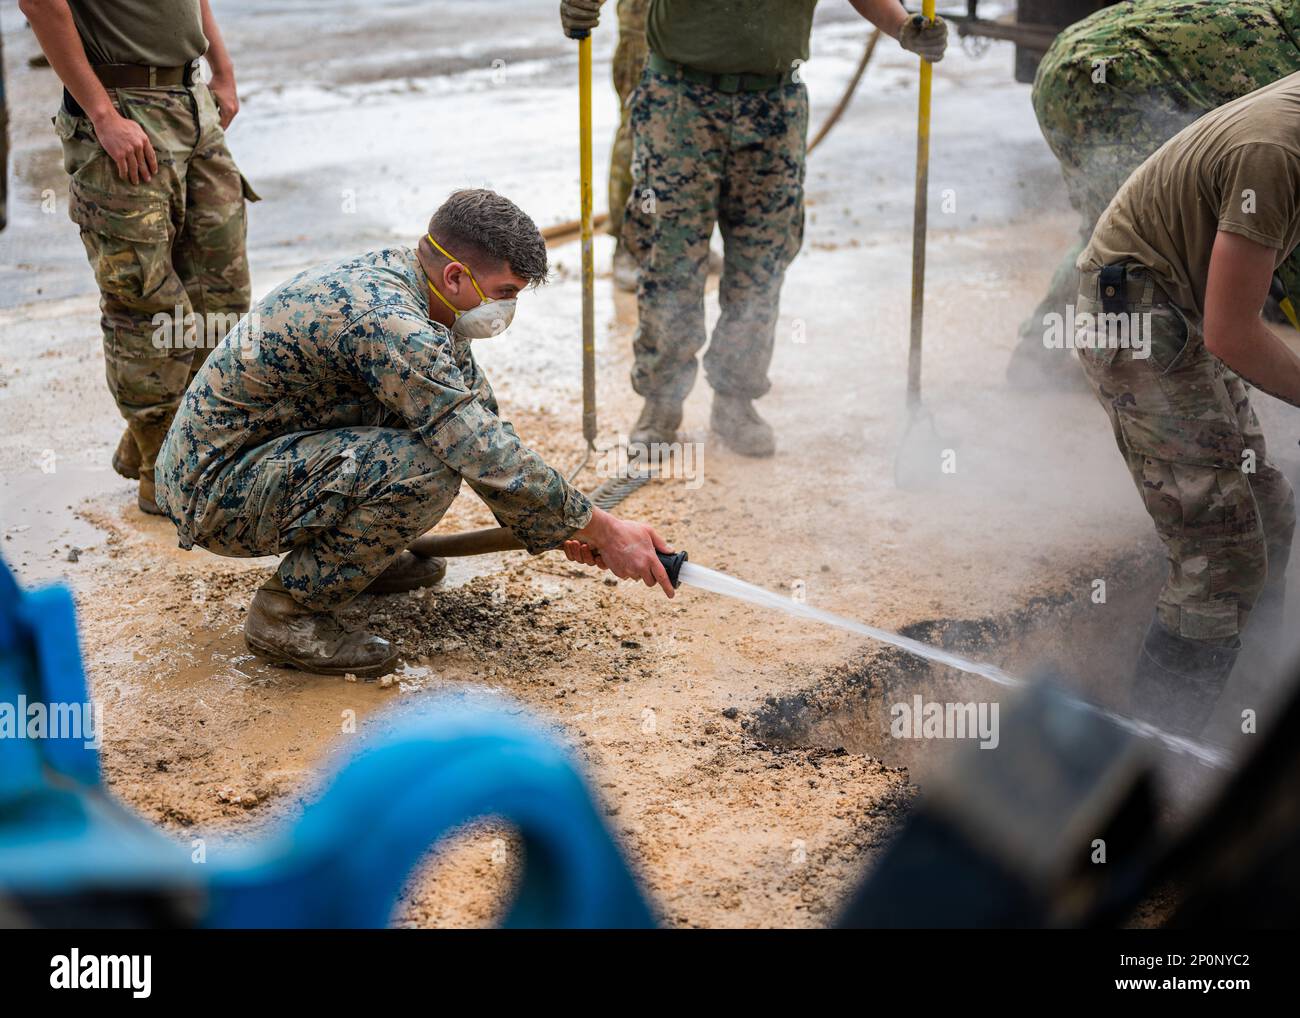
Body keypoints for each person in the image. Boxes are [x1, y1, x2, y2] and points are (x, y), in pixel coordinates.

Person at [156, 189, 675, 678]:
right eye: (505, 293)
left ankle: (356, 561)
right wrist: (604, 530)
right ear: (455, 275)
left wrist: (566, 526)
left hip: (265, 455)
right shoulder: (389, 321)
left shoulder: (422, 295)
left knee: (432, 438)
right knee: (423, 470)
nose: (507, 308)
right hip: (214, 489)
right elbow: (477, 449)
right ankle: (286, 613)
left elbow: (484, 424)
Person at [560, 0, 947, 457]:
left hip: (773, 103)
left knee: (761, 265)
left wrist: (903, 26)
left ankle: (736, 401)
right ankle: (660, 405)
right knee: (670, 259)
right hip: (679, 99)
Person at [1075, 72, 1300, 736]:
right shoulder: (1278, 152)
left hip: (1179, 311)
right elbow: (1234, 332)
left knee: (1270, 510)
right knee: (1219, 553)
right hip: (1136, 319)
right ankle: (1158, 757)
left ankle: (1247, 707)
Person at [21, 0, 258, 514]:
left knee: (223, 296)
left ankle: (184, 442)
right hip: (123, 104)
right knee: (145, 303)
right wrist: (101, 114)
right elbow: (40, 3)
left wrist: (223, 73)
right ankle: (161, 470)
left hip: (192, 101)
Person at [1008, 0, 1300, 389]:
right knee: (1146, 238)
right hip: (1093, 79)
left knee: (1116, 227)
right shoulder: (1275, 60)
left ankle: (1039, 356)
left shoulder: (1273, 19)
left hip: (1082, 60)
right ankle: (1133, 372)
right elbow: (1282, 208)